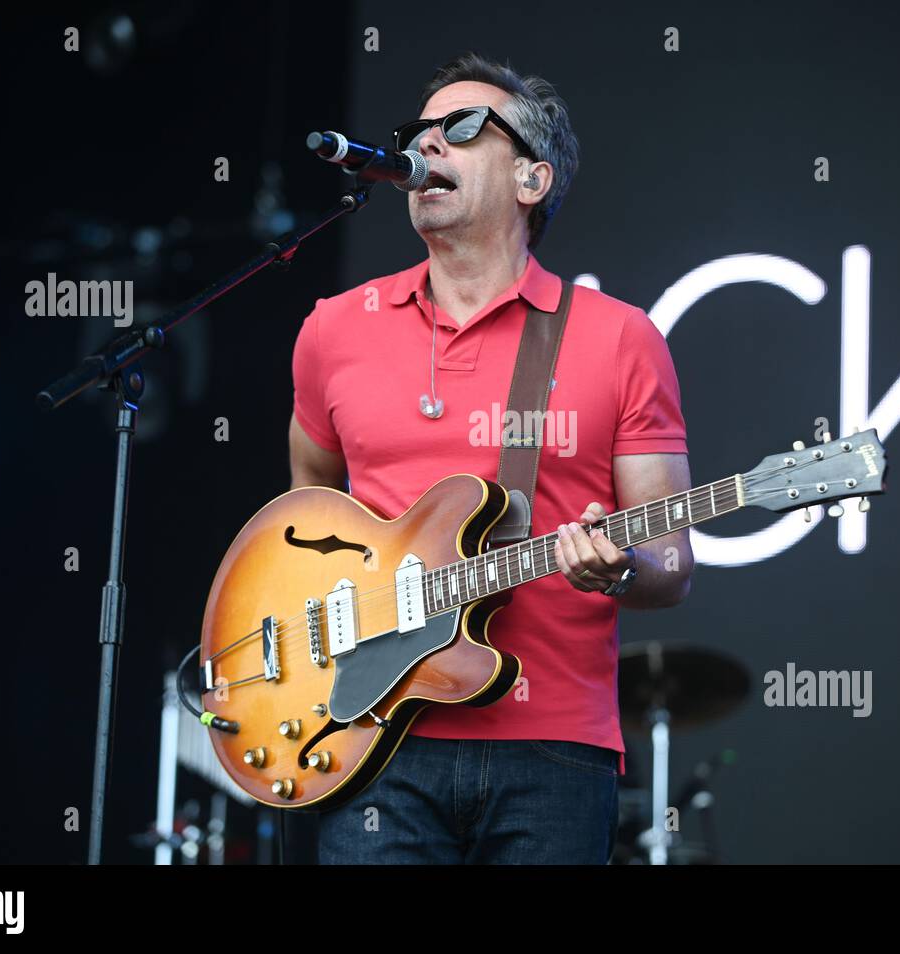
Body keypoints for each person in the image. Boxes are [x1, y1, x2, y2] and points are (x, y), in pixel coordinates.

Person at [289, 52, 694, 864]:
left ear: (531, 181)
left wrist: (616, 568)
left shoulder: (620, 337)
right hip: (370, 736)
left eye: (464, 128)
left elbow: (672, 562)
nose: (428, 144)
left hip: (553, 749)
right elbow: (304, 512)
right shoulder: (334, 328)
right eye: (419, 131)